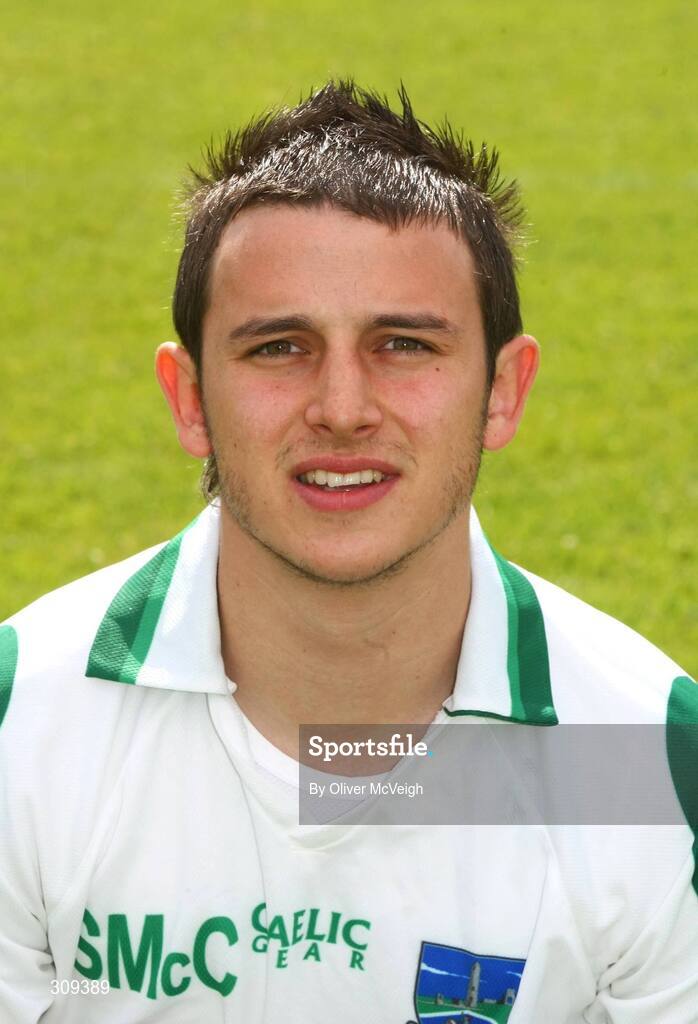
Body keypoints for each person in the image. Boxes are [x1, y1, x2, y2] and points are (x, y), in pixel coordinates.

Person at [0, 81, 695, 1023]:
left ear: (502, 389)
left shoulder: (644, 760)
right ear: (191, 399)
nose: (342, 407)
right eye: (279, 347)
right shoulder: (22, 725)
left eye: (404, 344)